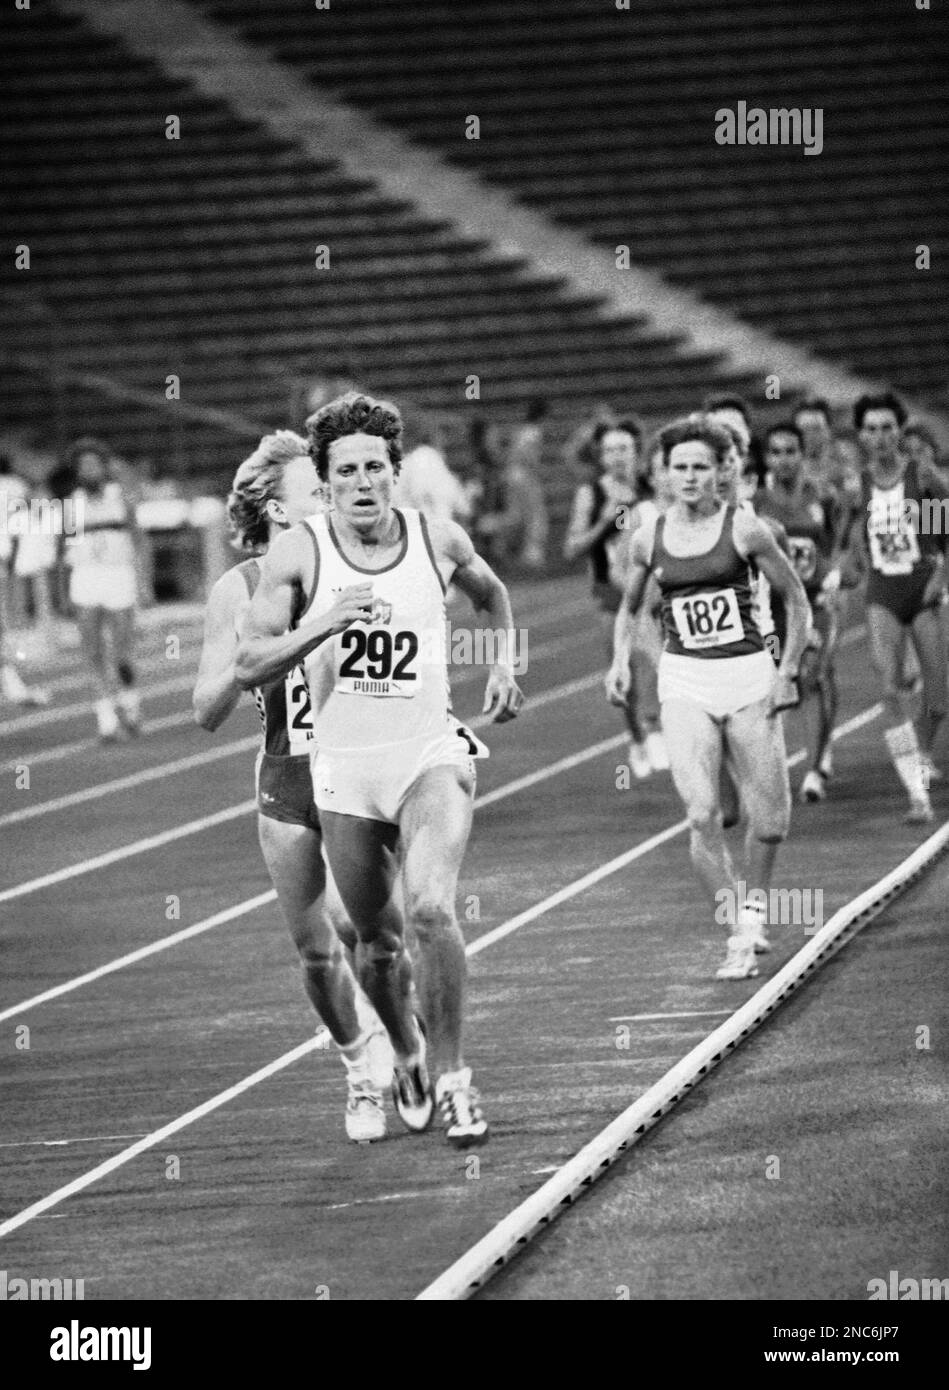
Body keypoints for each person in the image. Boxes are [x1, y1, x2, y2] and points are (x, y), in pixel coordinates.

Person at [236, 392, 523, 1146]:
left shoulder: (438, 539)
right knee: (375, 944)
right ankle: (406, 1052)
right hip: (343, 772)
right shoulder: (302, 552)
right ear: (325, 485)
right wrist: (322, 623)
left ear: (394, 474)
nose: (363, 483)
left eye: (374, 468)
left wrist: (501, 664)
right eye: (346, 472)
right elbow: (246, 662)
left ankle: (457, 1079)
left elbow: (493, 597)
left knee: (430, 910)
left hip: (427, 754)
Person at [192, 431, 391, 1144]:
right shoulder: (240, 589)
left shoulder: (367, 560)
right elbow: (207, 711)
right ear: (277, 510)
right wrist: (257, 660)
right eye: (317, 488)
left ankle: (403, 1032)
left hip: (366, 771)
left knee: (358, 925)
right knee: (314, 949)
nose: (338, 493)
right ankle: (359, 1069)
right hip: (287, 773)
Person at [607, 417, 810, 979]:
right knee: (702, 815)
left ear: (720, 471)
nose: (691, 477)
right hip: (685, 681)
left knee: (769, 822)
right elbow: (629, 608)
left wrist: (788, 669)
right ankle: (738, 931)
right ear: (665, 475)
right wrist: (622, 660)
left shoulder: (747, 531)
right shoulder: (649, 537)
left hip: (748, 679)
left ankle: (755, 903)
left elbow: (797, 601)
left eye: (701, 466)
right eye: (680, 467)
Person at [849, 392, 949, 821]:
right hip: (884, 593)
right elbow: (853, 534)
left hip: (923, 586)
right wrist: (849, 569)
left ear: (900, 430)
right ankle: (915, 791)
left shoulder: (922, 476)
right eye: (871, 428)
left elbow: (944, 533)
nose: (880, 436)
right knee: (889, 689)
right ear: (861, 434)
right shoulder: (860, 483)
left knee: (938, 697)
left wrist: (942, 577)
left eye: (887, 427)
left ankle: (924, 754)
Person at [564, 417, 666, 777]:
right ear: (600, 455)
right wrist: (603, 522)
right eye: (609, 450)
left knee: (657, 661)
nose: (617, 456)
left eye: (624, 448)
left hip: (655, 589)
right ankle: (637, 736)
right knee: (624, 671)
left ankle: (656, 726)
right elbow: (572, 549)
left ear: (637, 451)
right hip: (610, 591)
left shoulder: (651, 486)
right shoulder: (591, 493)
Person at [756, 423, 848, 802]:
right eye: (775, 452)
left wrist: (835, 578)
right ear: (766, 459)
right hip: (771, 607)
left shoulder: (823, 496)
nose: (784, 460)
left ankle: (813, 771)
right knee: (771, 687)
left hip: (812, 604)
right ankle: (768, 770)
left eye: (790, 451)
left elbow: (838, 544)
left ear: (802, 454)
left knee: (811, 677)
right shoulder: (755, 502)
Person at [64, 439, 142, 742]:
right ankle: (106, 717)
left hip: (118, 573)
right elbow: (63, 547)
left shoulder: (120, 496)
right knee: (92, 650)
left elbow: (139, 538)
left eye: (94, 464)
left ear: (103, 467)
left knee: (122, 650)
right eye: (84, 466)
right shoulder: (71, 503)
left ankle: (131, 703)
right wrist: (62, 591)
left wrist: (143, 582)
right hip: (85, 576)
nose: (89, 470)